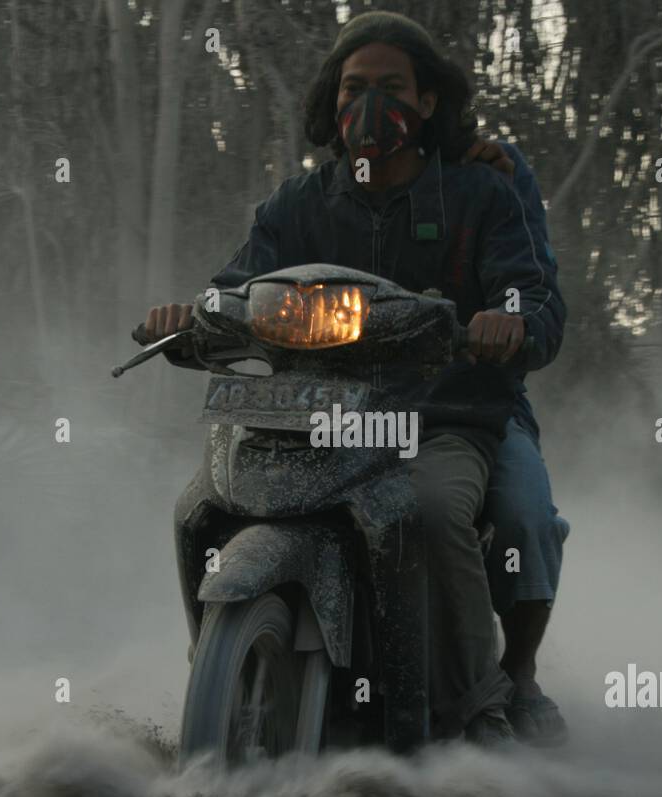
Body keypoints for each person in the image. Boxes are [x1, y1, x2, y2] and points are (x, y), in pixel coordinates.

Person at [142, 12, 566, 745]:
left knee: (436, 511)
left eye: (391, 87)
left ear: (428, 101)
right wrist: (192, 319)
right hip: (306, 415)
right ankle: (220, 667)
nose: (370, 105)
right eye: (354, 87)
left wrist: (509, 320)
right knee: (196, 508)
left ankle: (484, 702)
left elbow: (534, 300)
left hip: (444, 414)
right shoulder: (294, 205)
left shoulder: (482, 195)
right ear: (331, 102)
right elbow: (236, 288)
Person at [459, 137, 571, 744]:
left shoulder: (497, 178)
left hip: (481, 403)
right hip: (351, 401)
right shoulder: (334, 189)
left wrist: (513, 321)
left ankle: (519, 672)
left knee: (525, 515)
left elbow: (537, 289)